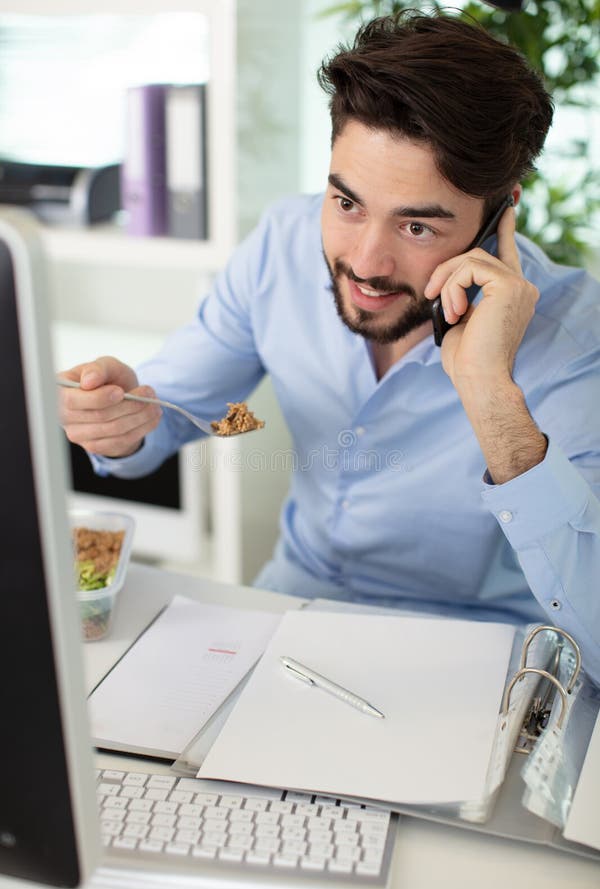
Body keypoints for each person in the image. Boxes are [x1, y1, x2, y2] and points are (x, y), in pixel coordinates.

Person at [59, 12, 600, 682]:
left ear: (500, 214)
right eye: (347, 204)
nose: (367, 263)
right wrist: (118, 422)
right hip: (291, 610)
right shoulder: (282, 245)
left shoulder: (577, 339)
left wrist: (491, 393)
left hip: (478, 658)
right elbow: (166, 411)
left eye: (417, 226)